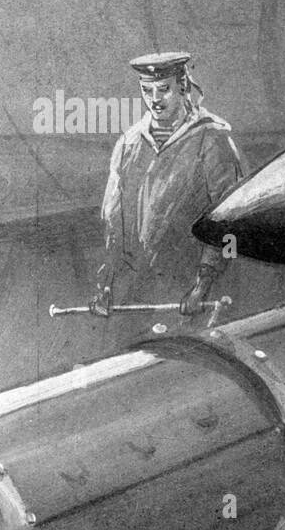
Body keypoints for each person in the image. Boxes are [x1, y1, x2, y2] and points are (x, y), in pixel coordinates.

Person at [91, 52, 246, 334]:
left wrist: (204, 284)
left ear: (183, 86)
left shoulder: (212, 138)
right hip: (145, 286)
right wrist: (107, 281)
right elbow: (114, 220)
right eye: (147, 90)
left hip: (197, 290)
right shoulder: (129, 143)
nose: (155, 99)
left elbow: (230, 222)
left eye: (164, 89)